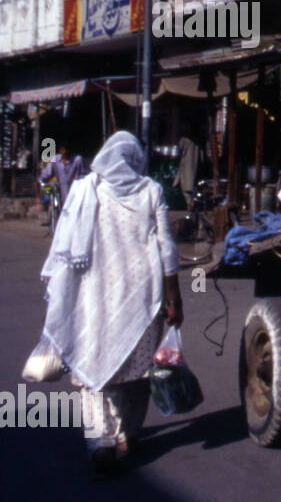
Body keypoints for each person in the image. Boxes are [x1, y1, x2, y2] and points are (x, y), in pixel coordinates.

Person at [35, 132, 183, 478]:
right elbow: (167, 248)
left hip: (93, 299)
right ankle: (127, 434)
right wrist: (175, 298)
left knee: (91, 373)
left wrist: (59, 298)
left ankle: (100, 441)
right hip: (142, 300)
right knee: (137, 373)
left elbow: (63, 248)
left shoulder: (88, 189)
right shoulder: (151, 190)